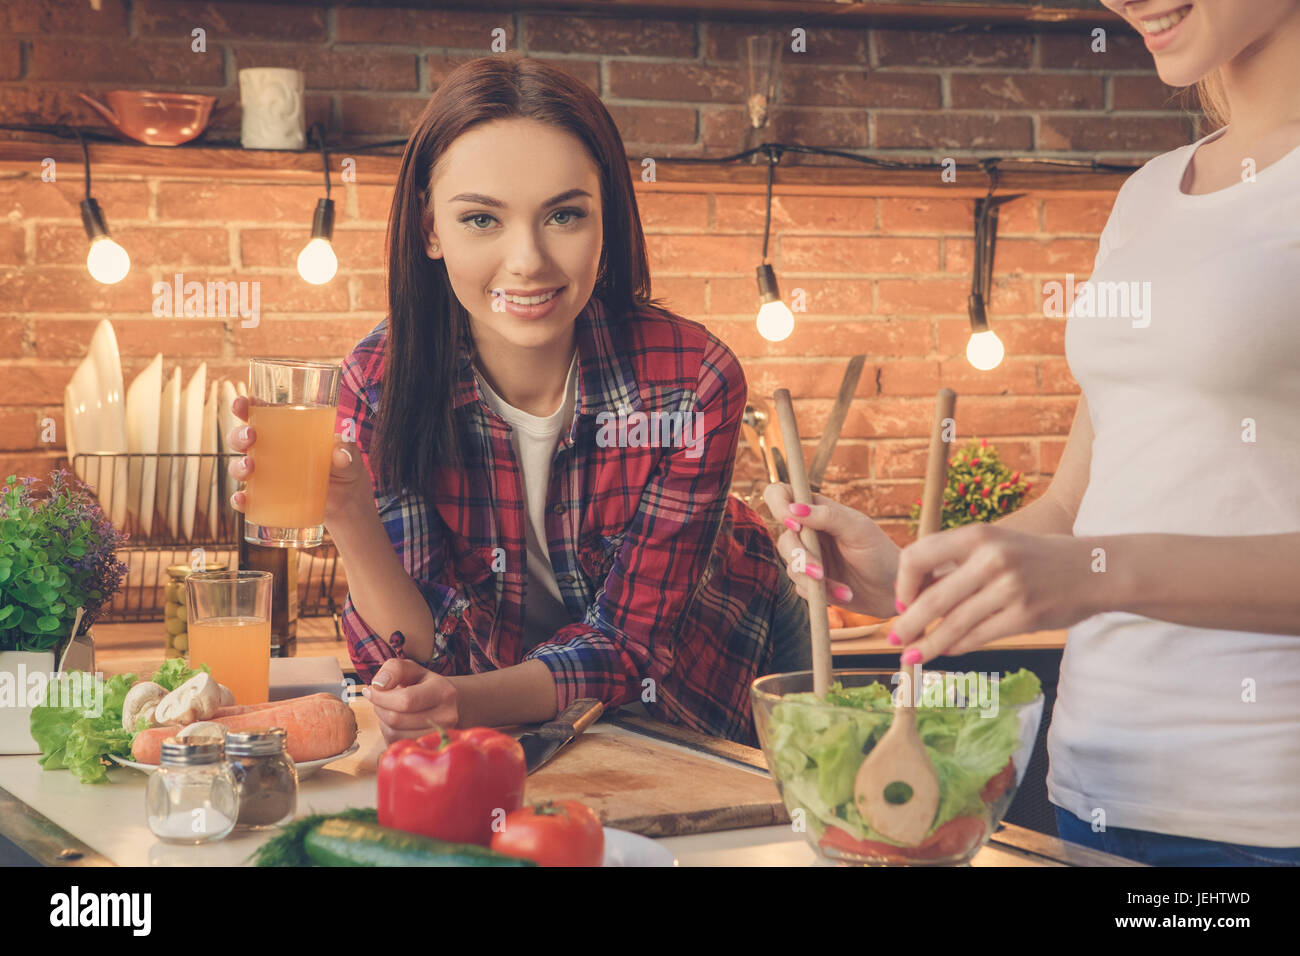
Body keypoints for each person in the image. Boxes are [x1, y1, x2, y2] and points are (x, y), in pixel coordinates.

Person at [766, 0, 1300, 865]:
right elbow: (1070, 509)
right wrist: (905, 576)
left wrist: (1097, 575)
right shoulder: (1149, 195)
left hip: (1267, 821)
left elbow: (1089, 559)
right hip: (1092, 794)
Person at [227, 54, 814, 748]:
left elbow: (628, 649)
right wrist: (348, 515)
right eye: (482, 219)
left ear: (609, 221)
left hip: (724, 672)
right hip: (510, 708)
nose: (528, 259)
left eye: (564, 214)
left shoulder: (692, 381)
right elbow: (410, 653)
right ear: (429, 230)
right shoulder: (378, 383)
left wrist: (458, 703)